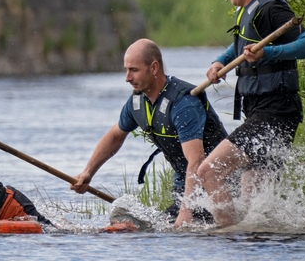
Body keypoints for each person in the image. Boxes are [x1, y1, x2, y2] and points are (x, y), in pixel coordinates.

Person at [196, 0, 305, 227]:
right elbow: (239, 46)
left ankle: (227, 237)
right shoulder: (246, 13)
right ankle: (256, 242)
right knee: (252, 204)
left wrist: (268, 54)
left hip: (276, 111)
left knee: (209, 171)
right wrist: (220, 62)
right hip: (260, 111)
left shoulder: (271, 7)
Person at [71, 38, 226, 226]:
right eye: (126, 70)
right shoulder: (137, 102)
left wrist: (186, 211)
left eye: (134, 70)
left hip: (218, 187)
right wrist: (88, 172)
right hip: (184, 186)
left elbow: (196, 160)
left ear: (153, 68)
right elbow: (115, 135)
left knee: (179, 229)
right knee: (134, 225)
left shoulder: (184, 104)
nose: (127, 78)